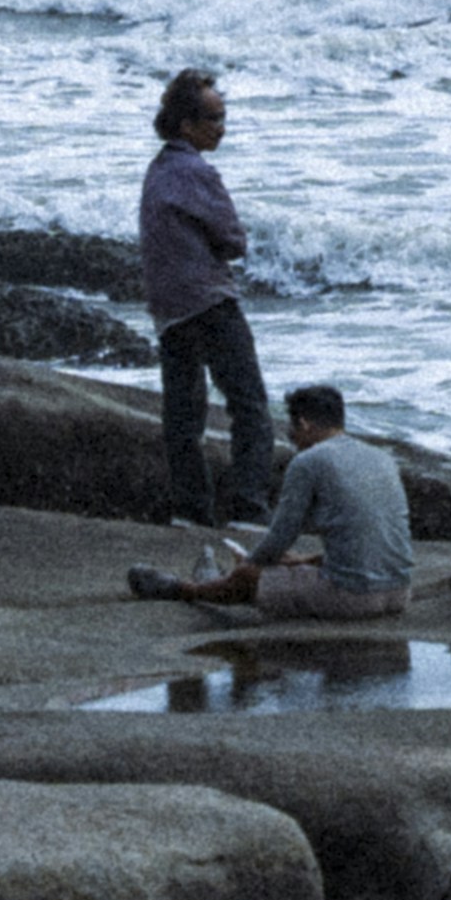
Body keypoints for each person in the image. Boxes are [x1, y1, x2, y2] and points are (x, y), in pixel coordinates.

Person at [125, 384, 408, 618]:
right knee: (297, 560)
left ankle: (183, 589)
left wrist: (249, 563)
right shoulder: (383, 458)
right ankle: (227, 579)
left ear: (305, 424)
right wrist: (299, 561)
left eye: (291, 432)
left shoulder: (309, 461)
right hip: (399, 593)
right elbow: (373, 537)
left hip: (352, 598)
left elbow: (281, 535)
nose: (293, 440)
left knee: (246, 579)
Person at [138, 68, 274, 529]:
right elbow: (233, 239)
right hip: (208, 300)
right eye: (214, 119)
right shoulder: (198, 171)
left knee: (183, 413)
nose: (222, 128)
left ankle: (190, 510)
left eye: (223, 117)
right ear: (186, 125)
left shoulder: (158, 171)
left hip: (168, 308)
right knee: (250, 406)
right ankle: (249, 509)